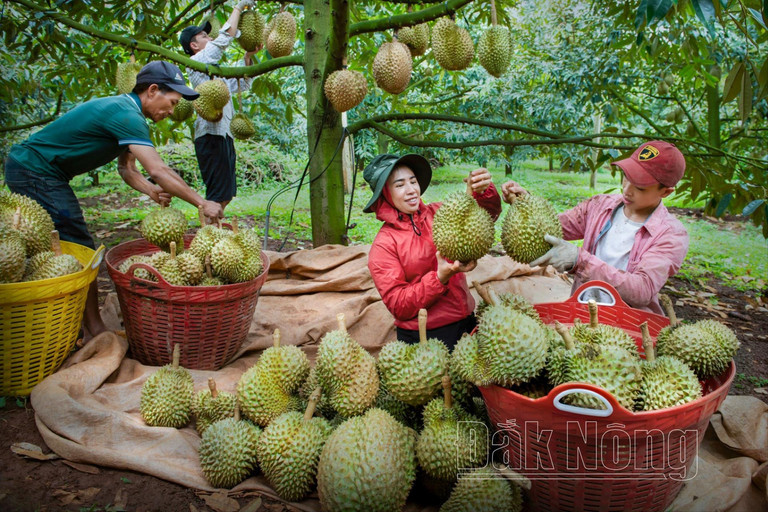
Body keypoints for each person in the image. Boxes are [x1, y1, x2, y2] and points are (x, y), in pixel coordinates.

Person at [4, 60, 224, 340]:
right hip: (33, 169)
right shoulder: (127, 114)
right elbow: (158, 169)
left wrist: (150, 190)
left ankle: (63, 323)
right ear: (152, 90)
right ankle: (92, 328)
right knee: (76, 241)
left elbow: (127, 169)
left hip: (37, 169)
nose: (171, 111)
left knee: (56, 243)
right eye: (171, 101)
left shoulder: (128, 113)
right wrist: (202, 202)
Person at [502, 140, 689, 316]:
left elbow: (642, 289)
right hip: (581, 308)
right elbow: (554, 227)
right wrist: (525, 201)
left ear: (665, 192)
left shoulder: (671, 235)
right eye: (626, 178)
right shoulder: (600, 206)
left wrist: (579, 260)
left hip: (628, 321)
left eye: (640, 187)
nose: (627, 189)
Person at [364, 154, 502, 350]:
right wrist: (439, 278)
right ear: (386, 193)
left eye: (413, 181)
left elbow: (484, 217)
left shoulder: (439, 213)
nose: (411, 190)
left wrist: (480, 191)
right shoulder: (384, 245)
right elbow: (398, 305)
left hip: (466, 322)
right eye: (400, 185)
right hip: (425, 337)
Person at [180, 0, 259, 213]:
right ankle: (208, 235)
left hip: (223, 135)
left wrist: (247, 57)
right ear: (194, 46)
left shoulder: (214, 71)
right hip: (211, 137)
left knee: (227, 193)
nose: (211, 37)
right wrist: (238, 7)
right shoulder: (197, 62)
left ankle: (214, 231)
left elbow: (240, 84)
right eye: (204, 36)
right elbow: (224, 39)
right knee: (217, 195)